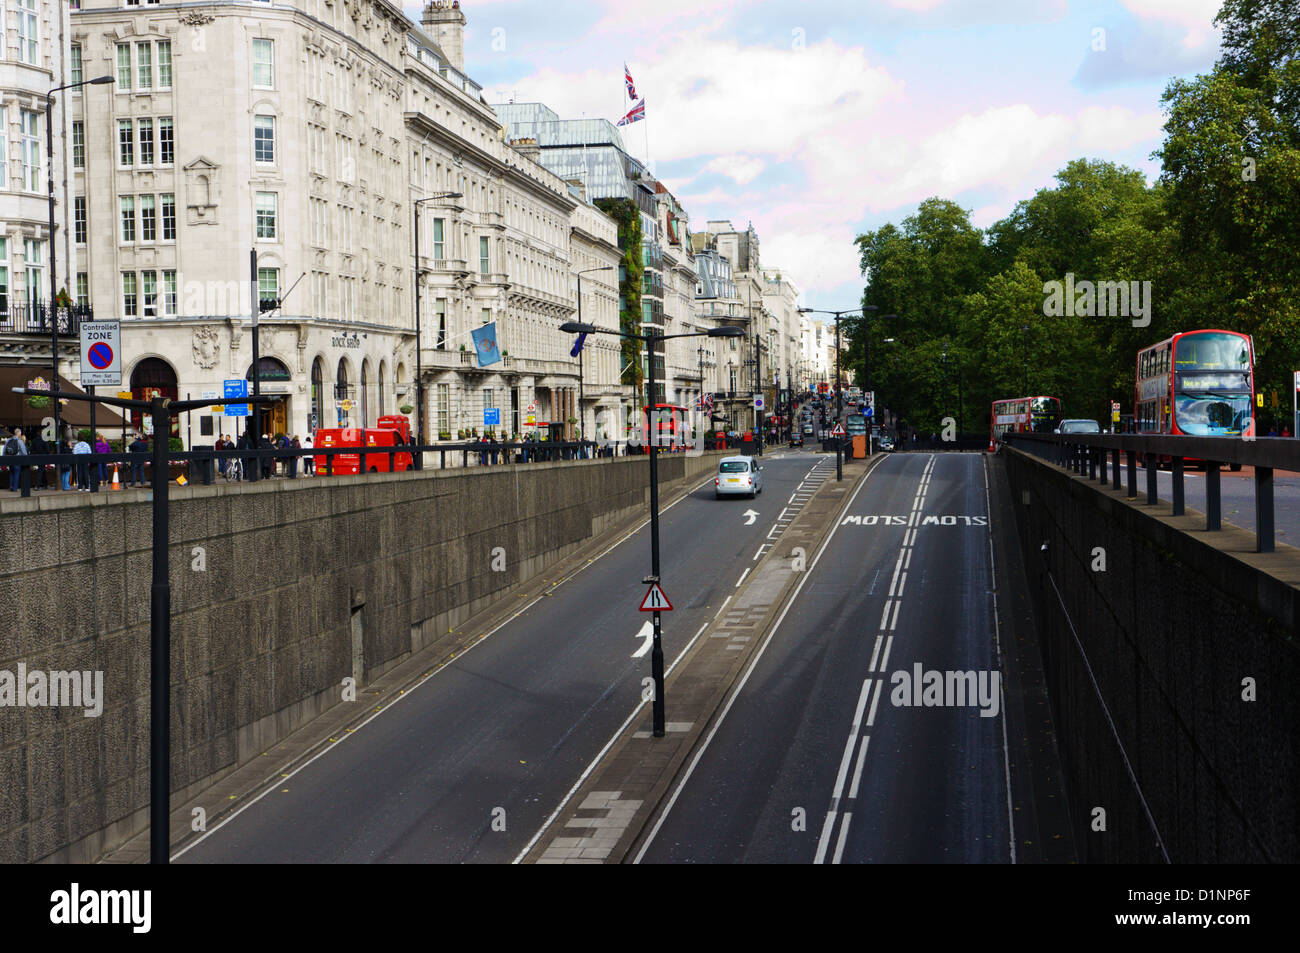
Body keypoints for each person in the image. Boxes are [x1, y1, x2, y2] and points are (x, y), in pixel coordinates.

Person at [4, 427, 27, 491]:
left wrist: (4, 458)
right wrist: (26, 458)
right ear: (19, 434)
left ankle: (11, 486)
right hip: (17, 459)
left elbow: (4, 450)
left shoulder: (9, 440)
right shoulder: (19, 441)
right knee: (17, 472)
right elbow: (24, 452)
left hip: (10, 459)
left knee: (11, 472)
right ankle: (15, 488)